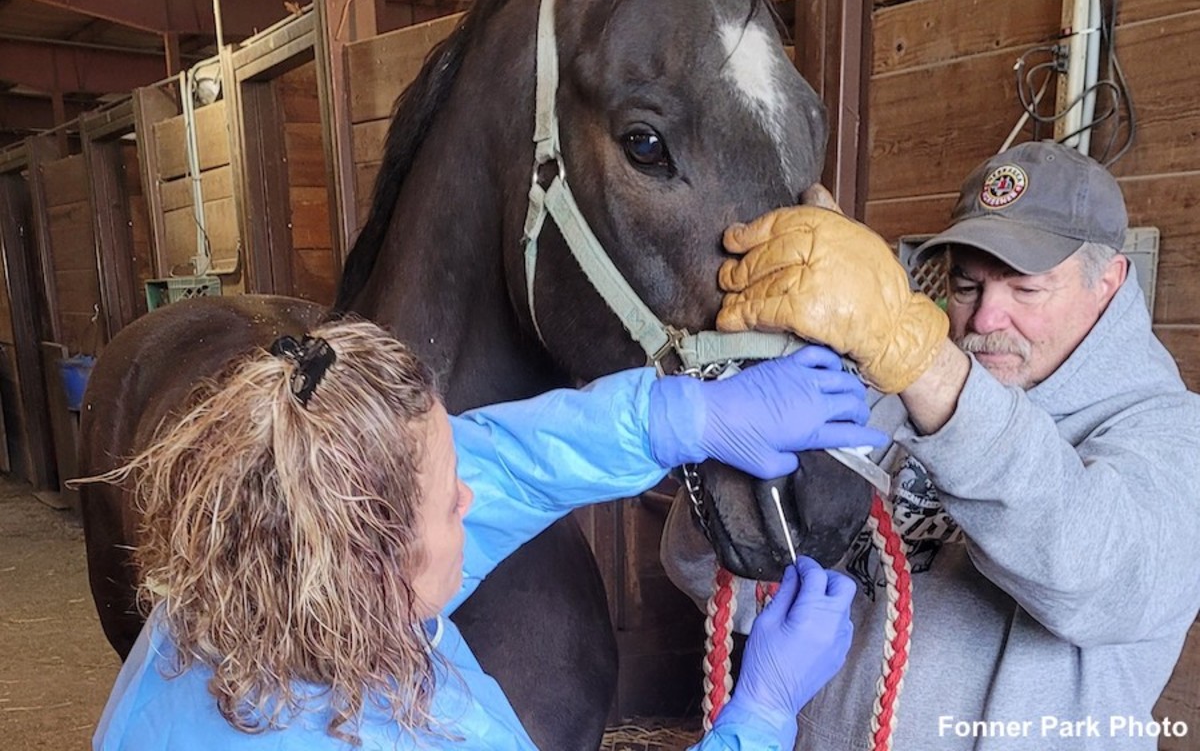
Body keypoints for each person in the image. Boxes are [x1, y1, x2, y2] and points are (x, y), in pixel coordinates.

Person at [89, 316, 887, 751]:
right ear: (373, 564)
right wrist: (762, 715)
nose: (472, 494)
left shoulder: (233, 578)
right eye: (447, 505)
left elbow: (497, 462)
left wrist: (681, 416)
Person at [670, 139, 1200, 750]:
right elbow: (716, 582)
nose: (983, 321)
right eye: (967, 287)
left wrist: (920, 357)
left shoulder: (1171, 437)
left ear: (1109, 282)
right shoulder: (894, 397)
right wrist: (734, 451)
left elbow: (1092, 575)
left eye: (1026, 290)